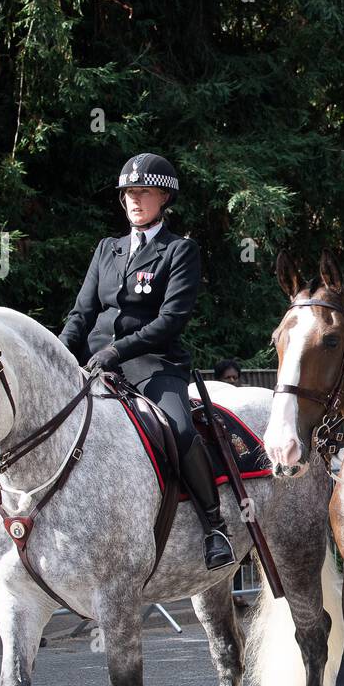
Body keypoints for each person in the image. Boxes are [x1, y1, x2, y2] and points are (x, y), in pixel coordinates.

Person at [59, 152, 235, 568]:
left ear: (163, 197)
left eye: (143, 192)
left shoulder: (180, 251)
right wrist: (59, 353)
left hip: (152, 361)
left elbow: (171, 320)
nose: (134, 199)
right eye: (128, 193)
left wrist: (117, 350)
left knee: (179, 427)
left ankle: (215, 528)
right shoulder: (107, 249)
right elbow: (82, 313)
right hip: (93, 360)